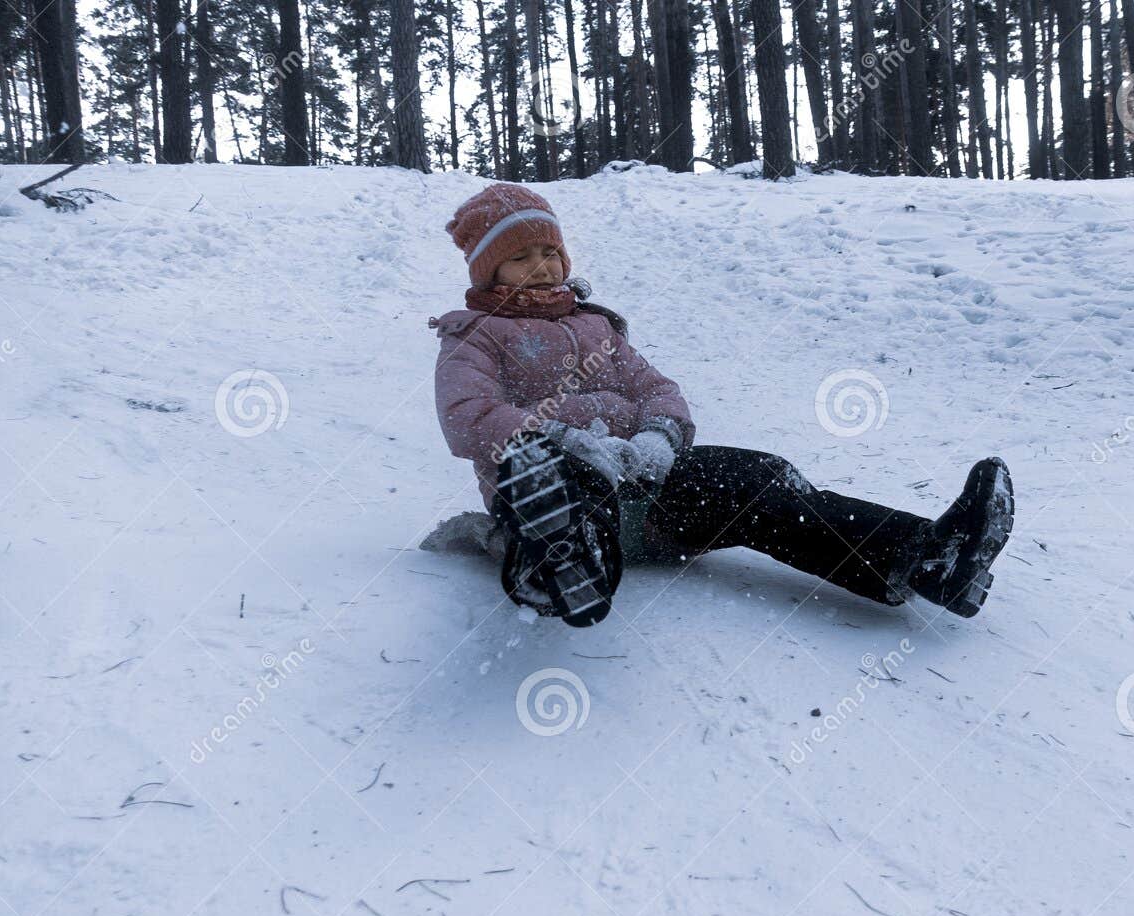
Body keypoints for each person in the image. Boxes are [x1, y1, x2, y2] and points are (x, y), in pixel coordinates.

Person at [431, 183, 1014, 629]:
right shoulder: (476, 335)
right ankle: (564, 564)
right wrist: (565, 439)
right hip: (559, 488)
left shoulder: (597, 325)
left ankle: (926, 559)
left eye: (549, 251)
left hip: (648, 491)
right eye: (521, 257)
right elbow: (467, 419)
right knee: (552, 478)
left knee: (756, 478)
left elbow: (658, 390)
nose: (544, 266)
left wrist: (659, 437)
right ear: (489, 270)